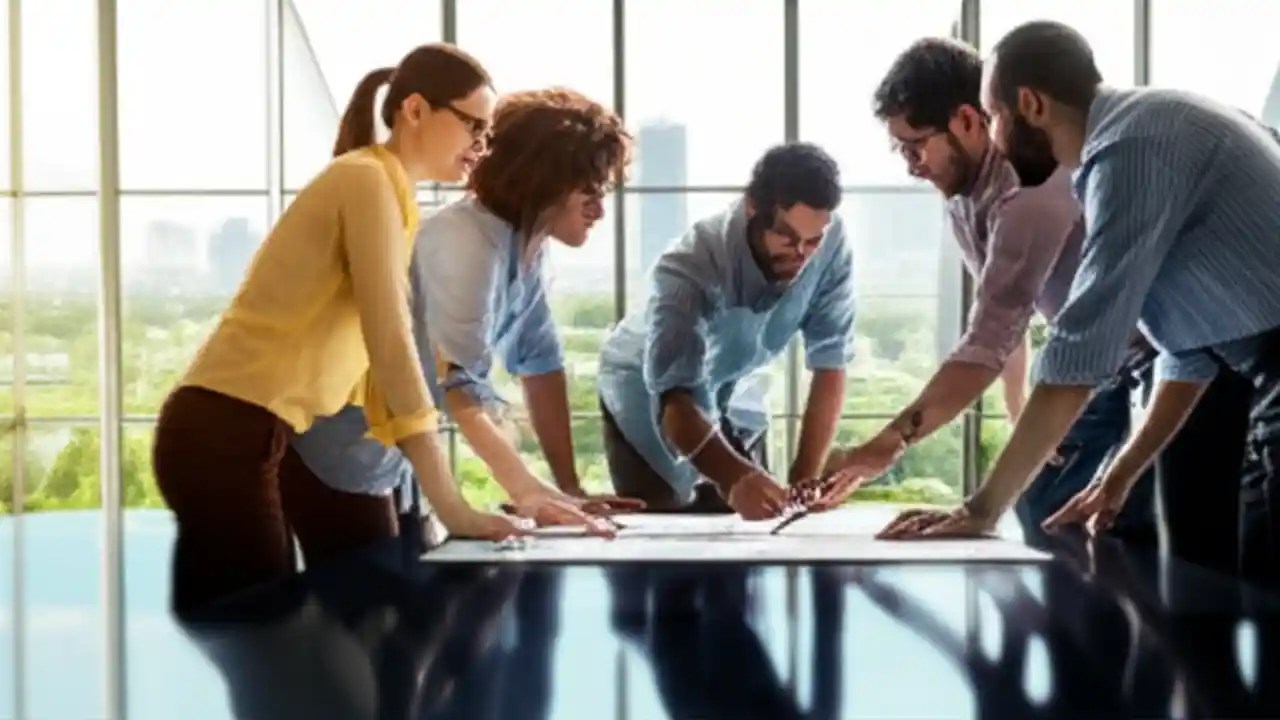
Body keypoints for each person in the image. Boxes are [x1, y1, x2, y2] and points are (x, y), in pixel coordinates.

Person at [876, 22, 1280, 586]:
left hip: (1270, 371)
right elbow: (1186, 355)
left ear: (1031, 105)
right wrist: (1120, 474)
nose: (994, 140)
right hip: (1262, 374)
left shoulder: (1131, 151)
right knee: (1254, 581)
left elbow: (1081, 349)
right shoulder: (1127, 143)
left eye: (993, 117)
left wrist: (980, 510)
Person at [153, 44, 523, 609]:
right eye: (474, 125)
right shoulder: (365, 180)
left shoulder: (392, 195)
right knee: (260, 634)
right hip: (223, 432)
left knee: (257, 639)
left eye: (489, 132)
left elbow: (377, 366)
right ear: (415, 110)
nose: (482, 144)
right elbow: (390, 339)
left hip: (244, 434)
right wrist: (451, 506)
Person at [811, 37, 1156, 539]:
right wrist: (1020, 411)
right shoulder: (962, 198)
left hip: (1154, 354)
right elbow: (1005, 320)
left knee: (1134, 518)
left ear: (968, 121)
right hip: (1094, 364)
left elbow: (985, 343)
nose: (911, 164)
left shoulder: (1027, 189)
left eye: (915, 145)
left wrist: (888, 444)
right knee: (1041, 509)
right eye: (899, 148)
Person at [289, 87, 641, 564]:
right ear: (545, 181)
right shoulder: (464, 242)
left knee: (412, 591)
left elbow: (541, 367)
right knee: (367, 592)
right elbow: (458, 387)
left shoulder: (529, 250)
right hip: (338, 445)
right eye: (591, 192)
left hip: (400, 453)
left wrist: (568, 488)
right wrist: (525, 490)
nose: (600, 210)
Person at [597, 142, 855, 519]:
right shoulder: (687, 267)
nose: (801, 254)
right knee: (668, 520)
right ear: (752, 208)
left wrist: (804, 484)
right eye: (786, 237)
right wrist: (734, 477)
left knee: (761, 511)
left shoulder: (831, 243)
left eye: (812, 241)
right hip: (647, 387)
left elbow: (830, 363)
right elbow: (675, 399)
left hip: (734, 385)